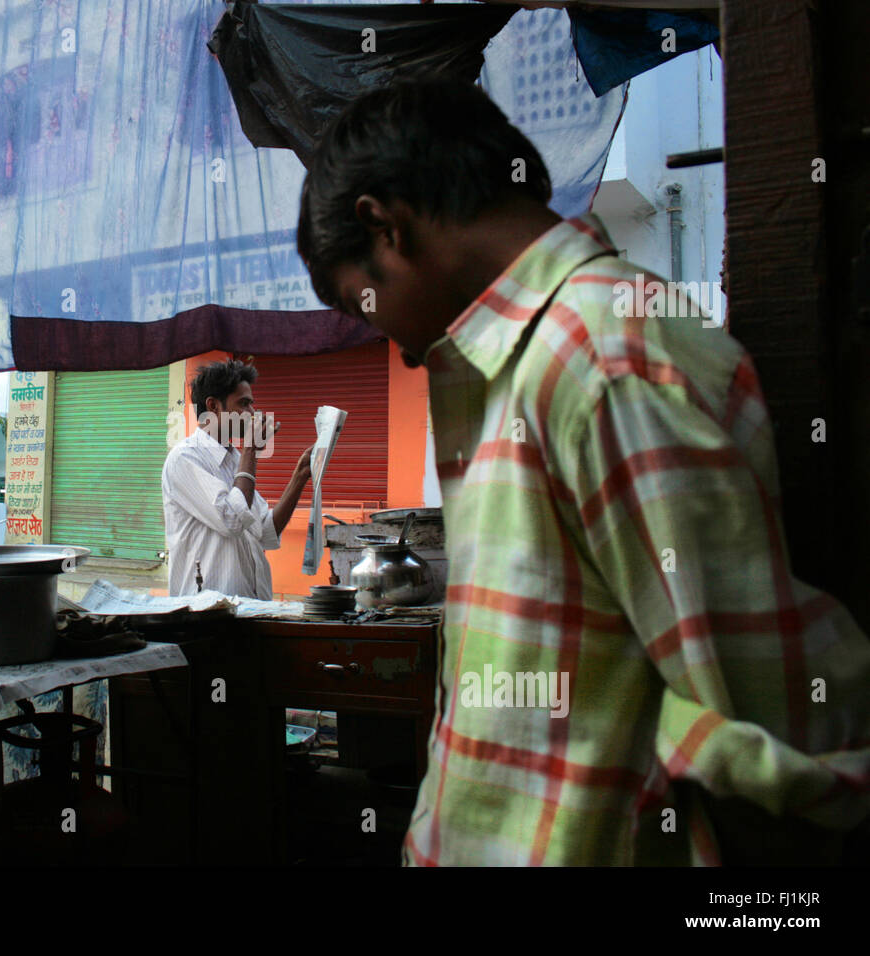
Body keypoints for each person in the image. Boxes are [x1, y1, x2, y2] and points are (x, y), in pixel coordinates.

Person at [297, 77, 870, 865]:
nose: (388, 341)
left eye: (361, 301)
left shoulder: (606, 358)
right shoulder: (514, 368)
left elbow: (754, 750)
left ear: (385, 228)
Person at [162, 359, 313, 599]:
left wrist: (300, 475)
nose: (252, 413)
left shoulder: (235, 459)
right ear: (213, 406)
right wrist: (251, 451)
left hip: (251, 607)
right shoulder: (185, 458)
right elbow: (231, 519)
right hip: (207, 614)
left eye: (251, 404)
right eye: (244, 404)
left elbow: (265, 531)